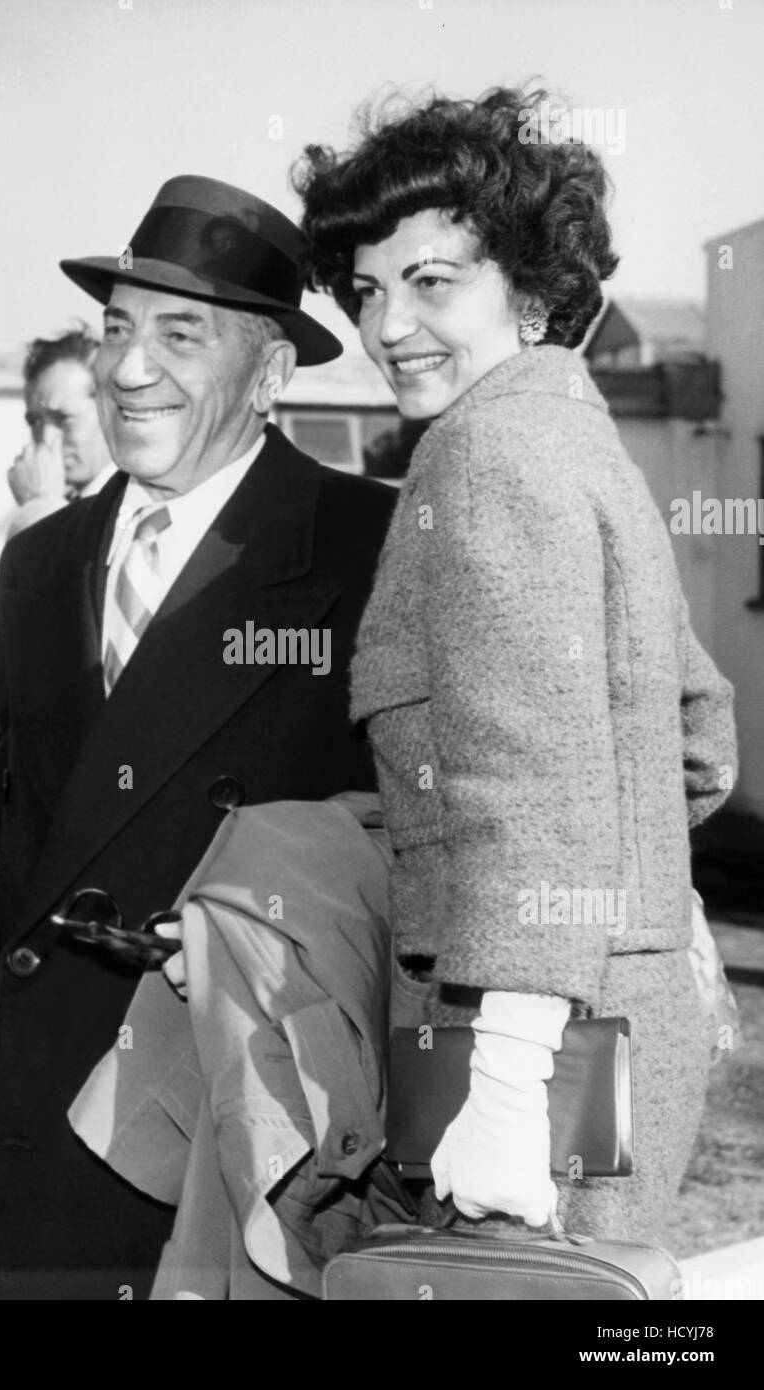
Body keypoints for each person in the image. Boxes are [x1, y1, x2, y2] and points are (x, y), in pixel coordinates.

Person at [0, 174, 397, 1299]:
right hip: (27, 1113)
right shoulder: (39, 562)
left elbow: (427, 839)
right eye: (115, 329)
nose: (129, 370)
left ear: (270, 373)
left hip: (223, 1121)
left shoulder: (367, 548)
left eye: (180, 334)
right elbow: (20, 836)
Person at [294, 87, 738, 1240]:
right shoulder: (573, 437)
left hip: (527, 1041)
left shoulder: (485, 454)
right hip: (599, 1009)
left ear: (533, 293)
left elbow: (529, 784)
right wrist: (639, 900)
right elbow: (699, 742)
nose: (389, 325)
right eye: (367, 291)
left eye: (432, 282)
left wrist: (502, 1080)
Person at [7, 324, 116, 537]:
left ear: (109, 410)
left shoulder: (130, 503)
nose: (47, 439)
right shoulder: (73, 502)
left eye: (63, 419)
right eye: (35, 422)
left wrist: (39, 505)